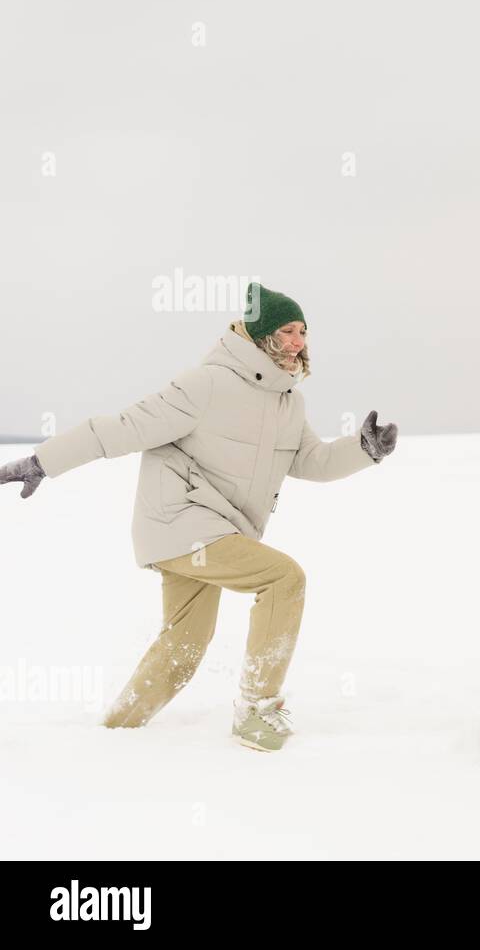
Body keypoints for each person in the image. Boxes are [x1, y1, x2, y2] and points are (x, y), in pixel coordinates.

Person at [0, 284, 398, 751]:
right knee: (283, 579)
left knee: (182, 649)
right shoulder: (206, 383)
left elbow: (310, 461)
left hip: (216, 531)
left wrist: (363, 450)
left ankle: (113, 734)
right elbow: (124, 428)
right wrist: (44, 461)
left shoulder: (289, 402)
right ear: (260, 335)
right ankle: (257, 708)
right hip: (181, 522)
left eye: (304, 332)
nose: (298, 342)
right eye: (287, 331)